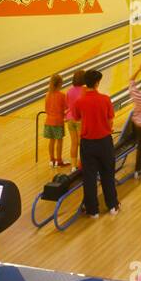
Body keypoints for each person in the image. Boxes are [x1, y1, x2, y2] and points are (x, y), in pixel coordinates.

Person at [71, 68, 118, 217]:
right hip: (104, 142)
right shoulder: (105, 99)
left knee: (89, 178)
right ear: (97, 83)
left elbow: (77, 117)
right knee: (108, 174)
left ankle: (93, 211)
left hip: (88, 144)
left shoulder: (80, 101)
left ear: (86, 84)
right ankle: (112, 206)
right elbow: (110, 120)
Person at [44, 73, 68, 168]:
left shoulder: (47, 95)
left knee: (51, 141)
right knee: (59, 141)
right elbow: (66, 108)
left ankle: (51, 160)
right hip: (58, 122)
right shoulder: (62, 95)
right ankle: (59, 160)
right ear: (60, 84)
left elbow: (46, 109)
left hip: (48, 121)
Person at [64, 69, 86, 169]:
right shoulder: (84, 90)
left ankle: (73, 167)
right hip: (79, 120)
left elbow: (68, 105)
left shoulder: (69, 91)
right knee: (81, 143)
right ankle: (81, 164)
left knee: (74, 143)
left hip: (70, 119)